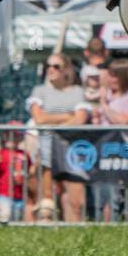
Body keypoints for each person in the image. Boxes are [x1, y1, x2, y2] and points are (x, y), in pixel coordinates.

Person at [28, 56, 91, 223]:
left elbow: (81, 119)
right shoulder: (39, 91)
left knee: (75, 201)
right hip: (47, 148)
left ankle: (76, 238)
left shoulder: (78, 92)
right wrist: (67, 116)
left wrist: (52, 120)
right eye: (48, 65)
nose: (51, 69)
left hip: (72, 149)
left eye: (56, 66)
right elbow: (39, 119)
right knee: (46, 201)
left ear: (66, 70)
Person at [91, 58, 128, 222]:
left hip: (120, 151)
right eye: (110, 75)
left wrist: (103, 105)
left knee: (114, 194)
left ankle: (114, 224)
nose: (110, 80)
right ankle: (99, 223)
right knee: (99, 193)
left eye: (115, 76)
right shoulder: (106, 94)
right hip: (99, 149)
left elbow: (124, 120)